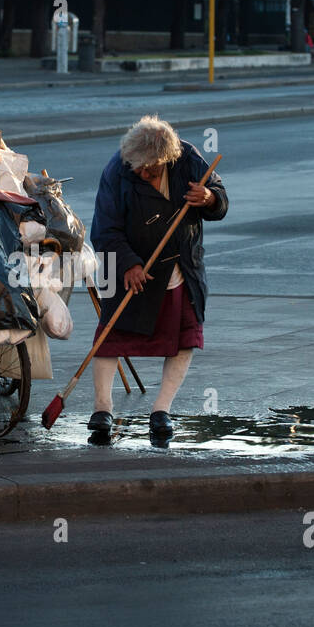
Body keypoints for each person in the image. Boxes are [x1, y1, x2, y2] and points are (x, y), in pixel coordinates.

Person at [88, 115, 228, 441]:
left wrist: (208, 198)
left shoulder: (188, 158)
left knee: (184, 337)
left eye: (148, 169)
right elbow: (104, 229)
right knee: (111, 334)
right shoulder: (117, 169)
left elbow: (220, 196)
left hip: (180, 267)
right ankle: (102, 409)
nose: (141, 174)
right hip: (128, 268)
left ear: (164, 160)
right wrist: (129, 264)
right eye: (137, 168)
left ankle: (161, 410)